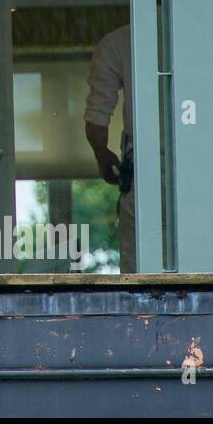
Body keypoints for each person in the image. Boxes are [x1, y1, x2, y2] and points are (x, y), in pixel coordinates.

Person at [85, 24, 133, 272]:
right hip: (202, 164)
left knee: (138, 268)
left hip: (140, 171)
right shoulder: (204, 32)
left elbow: (96, 120)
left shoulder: (118, 42)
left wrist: (102, 154)